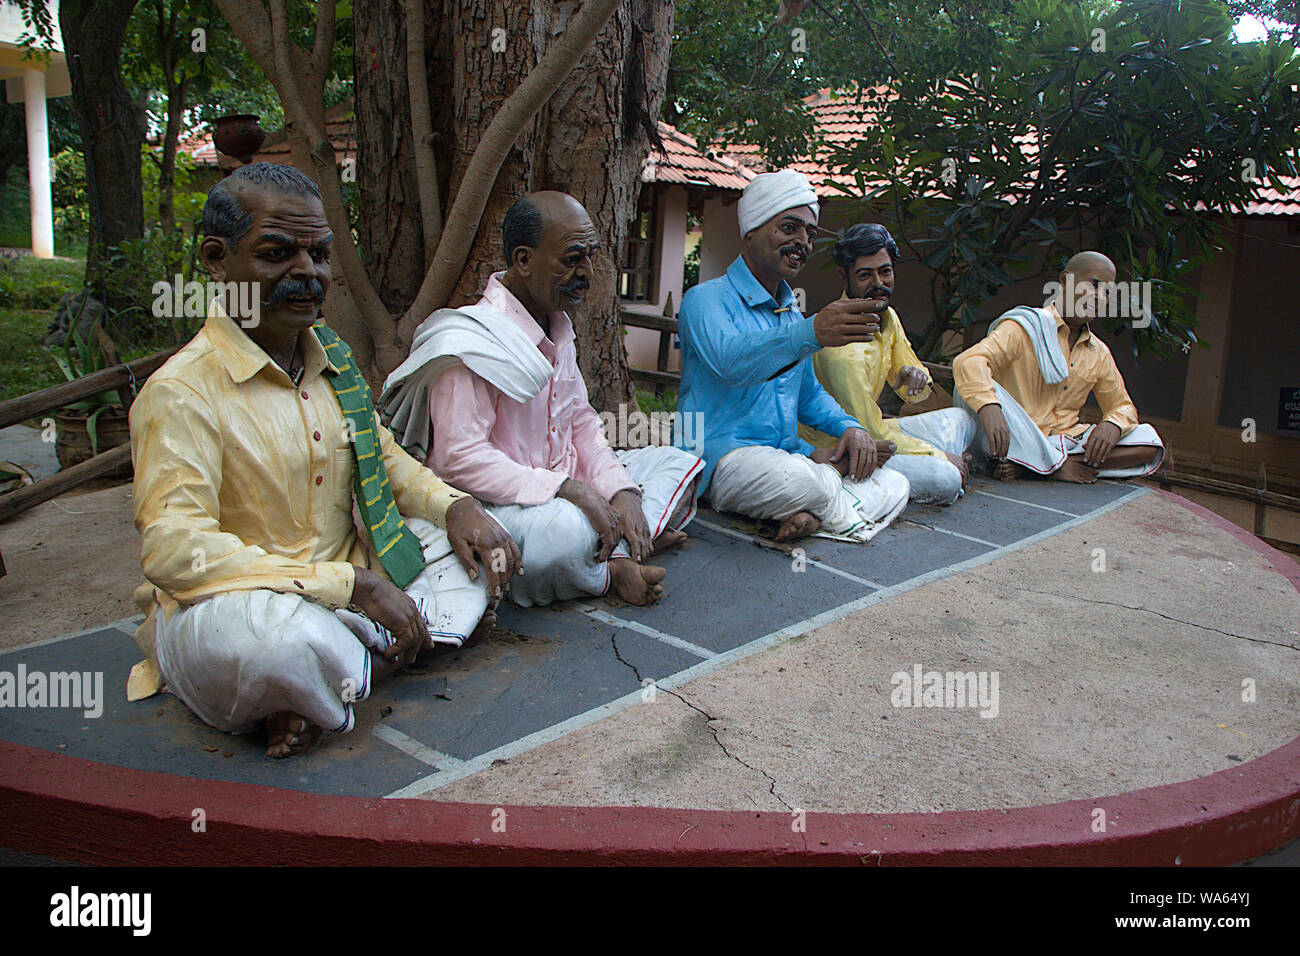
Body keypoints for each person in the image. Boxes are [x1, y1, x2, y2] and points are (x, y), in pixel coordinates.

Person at [127, 163, 520, 758]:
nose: (306, 273)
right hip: (244, 602)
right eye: (278, 253)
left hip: (351, 586)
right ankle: (393, 649)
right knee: (271, 643)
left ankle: (339, 678)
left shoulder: (329, 362)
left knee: (477, 544)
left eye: (319, 254)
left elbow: (385, 460)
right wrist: (346, 585)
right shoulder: (179, 392)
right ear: (216, 259)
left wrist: (456, 506)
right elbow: (174, 549)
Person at [382, 192, 703, 607]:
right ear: (523, 259)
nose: (587, 272)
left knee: (674, 462)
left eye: (590, 256)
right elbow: (457, 460)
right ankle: (612, 567)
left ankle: (619, 536)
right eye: (572, 259)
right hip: (506, 508)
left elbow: (582, 423)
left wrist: (620, 490)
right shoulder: (471, 342)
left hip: (568, 485)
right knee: (562, 533)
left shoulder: (558, 325)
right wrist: (566, 489)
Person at [676, 169, 909, 542]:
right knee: (799, 480)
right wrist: (811, 332)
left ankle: (819, 511)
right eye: (789, 228)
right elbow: (731, 362)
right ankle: (837, 508)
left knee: (895, 480)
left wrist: (851, 429)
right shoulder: (705, 300)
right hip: (720, 461)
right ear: (751, 230)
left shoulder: (790, 311)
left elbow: (809, 396)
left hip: (789, 458)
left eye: (810, 234)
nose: (802, 241)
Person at [800, 223, 975, 504]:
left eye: (885, 271)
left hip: (880, 428)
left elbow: (916, 392)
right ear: (843, 277)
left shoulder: (887, 316)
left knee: (962, 419)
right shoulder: (842, 350)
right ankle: (952, 470)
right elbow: (869, 434)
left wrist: (914, 377)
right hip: (844, 447)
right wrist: (939, 454)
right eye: (865, 275)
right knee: (945, 478)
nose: (879, 283)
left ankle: (950, 468)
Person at [953, 251, 1165, 483]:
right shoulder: (1025, 327)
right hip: (1018, 436)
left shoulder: (1099, 352)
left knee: (1149, 444)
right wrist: (989, 406)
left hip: (1064, 440)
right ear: (1066, 280)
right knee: (987, 389)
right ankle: (1041, 464)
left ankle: (1046, 467)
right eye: (1094, 285)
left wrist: (1113, 424)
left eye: (1107, 292)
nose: (1099, 297)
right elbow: (970, 360)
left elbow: (1122, 405)